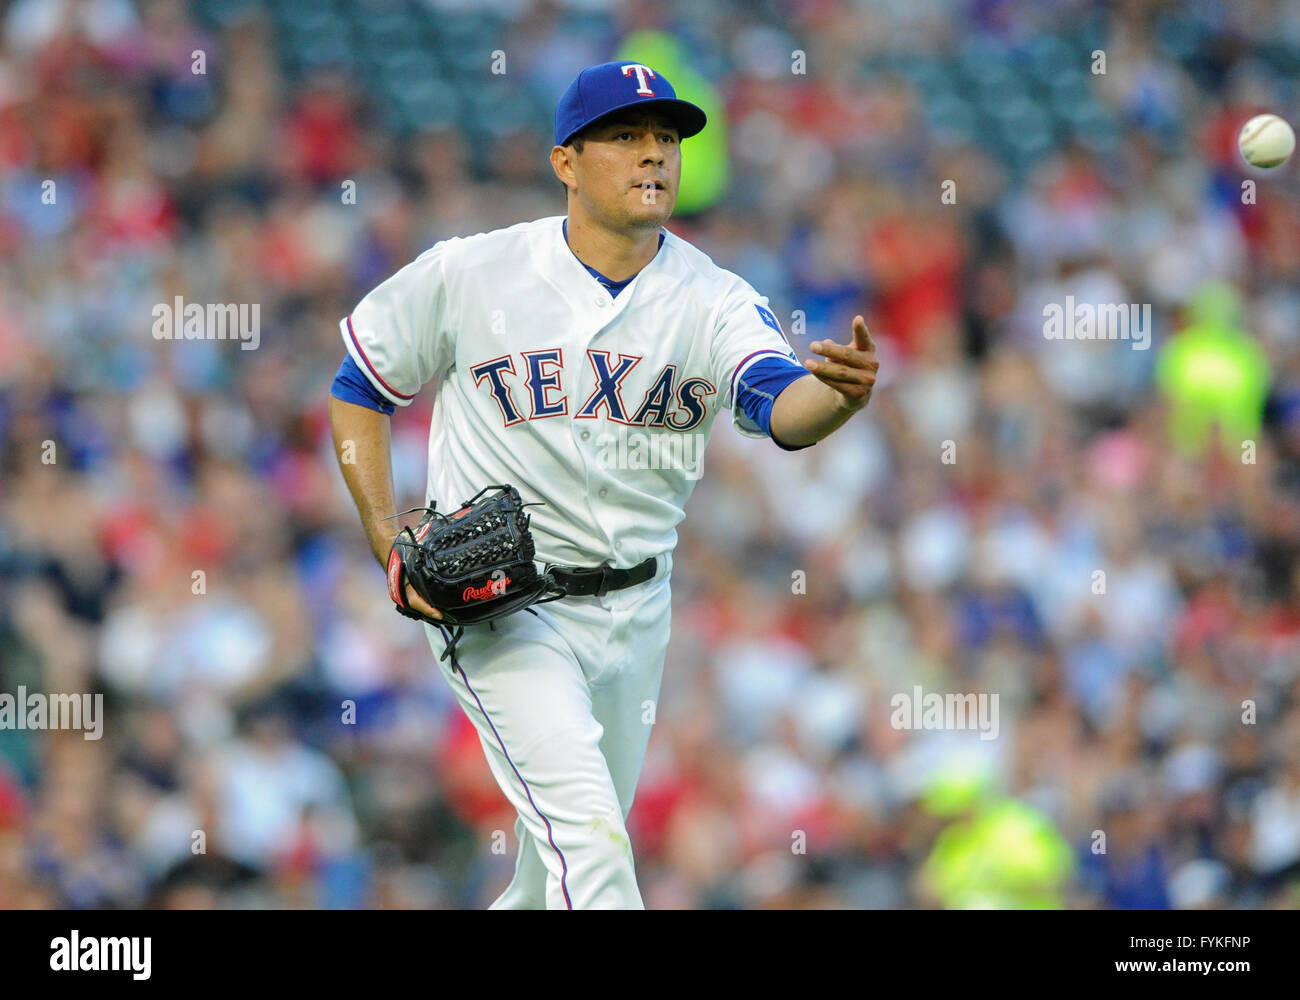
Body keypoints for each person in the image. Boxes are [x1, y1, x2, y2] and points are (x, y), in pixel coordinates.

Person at [327, 61, 878, 909]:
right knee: (590, 844)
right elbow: (360, 388)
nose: (654, 154)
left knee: (553, 879)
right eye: (625, 136)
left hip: (636, 613)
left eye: (667, 137)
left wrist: (836, 400)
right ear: (566, 163)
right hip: (503, 605)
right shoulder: (473, 273)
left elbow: (778, 407)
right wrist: (381, 534)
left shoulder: (715, 300)